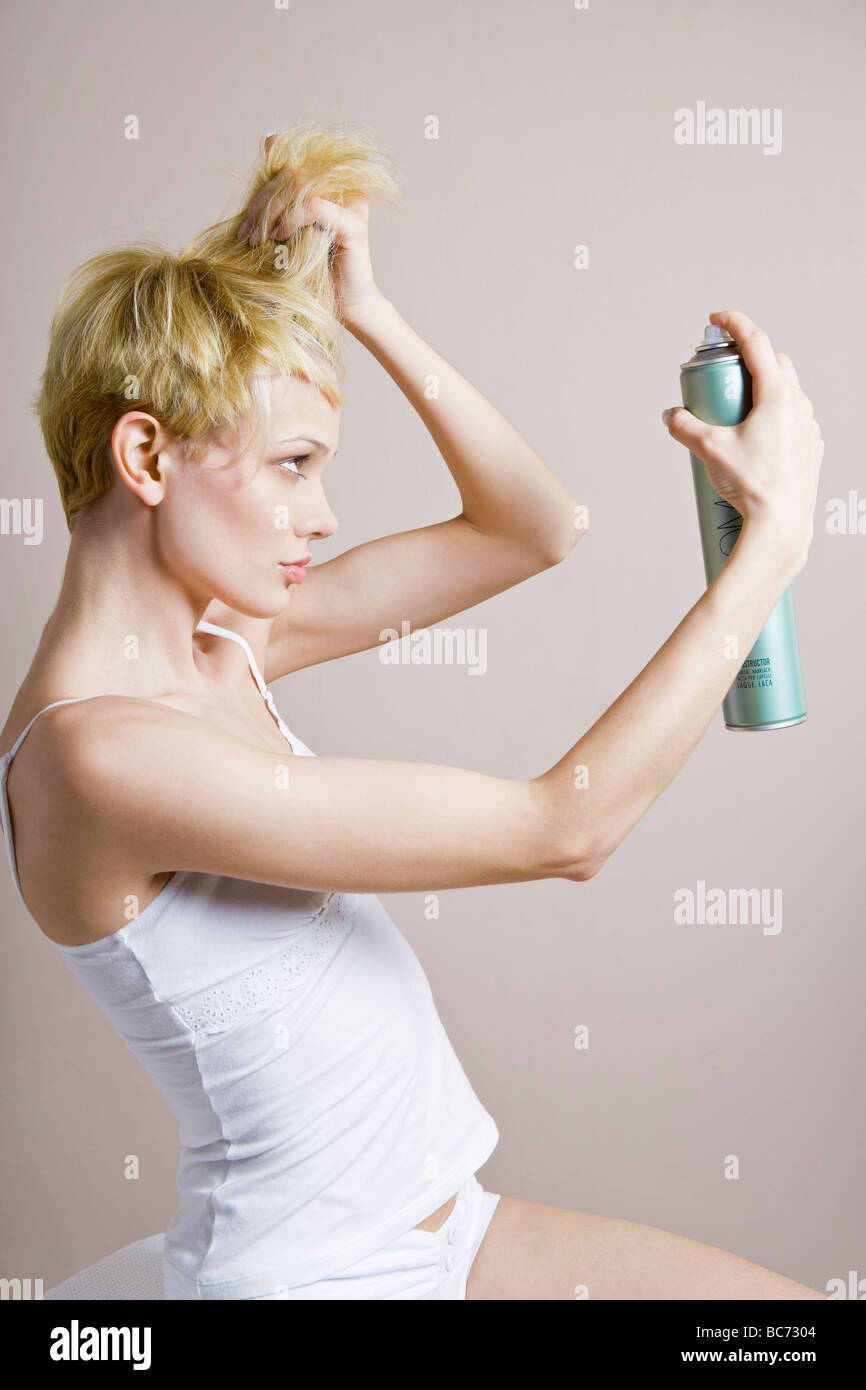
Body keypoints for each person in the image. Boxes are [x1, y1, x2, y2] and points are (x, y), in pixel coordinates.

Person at [0, 125, 825, 1299]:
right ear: (146, 456)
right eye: (293, 464)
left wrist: (368, 313)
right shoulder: (95, 758)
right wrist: (770, 548)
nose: (324, 514)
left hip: (453, 1232)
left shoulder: (224, 643)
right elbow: (564, 827)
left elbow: (532, 528)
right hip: (311, 1280)